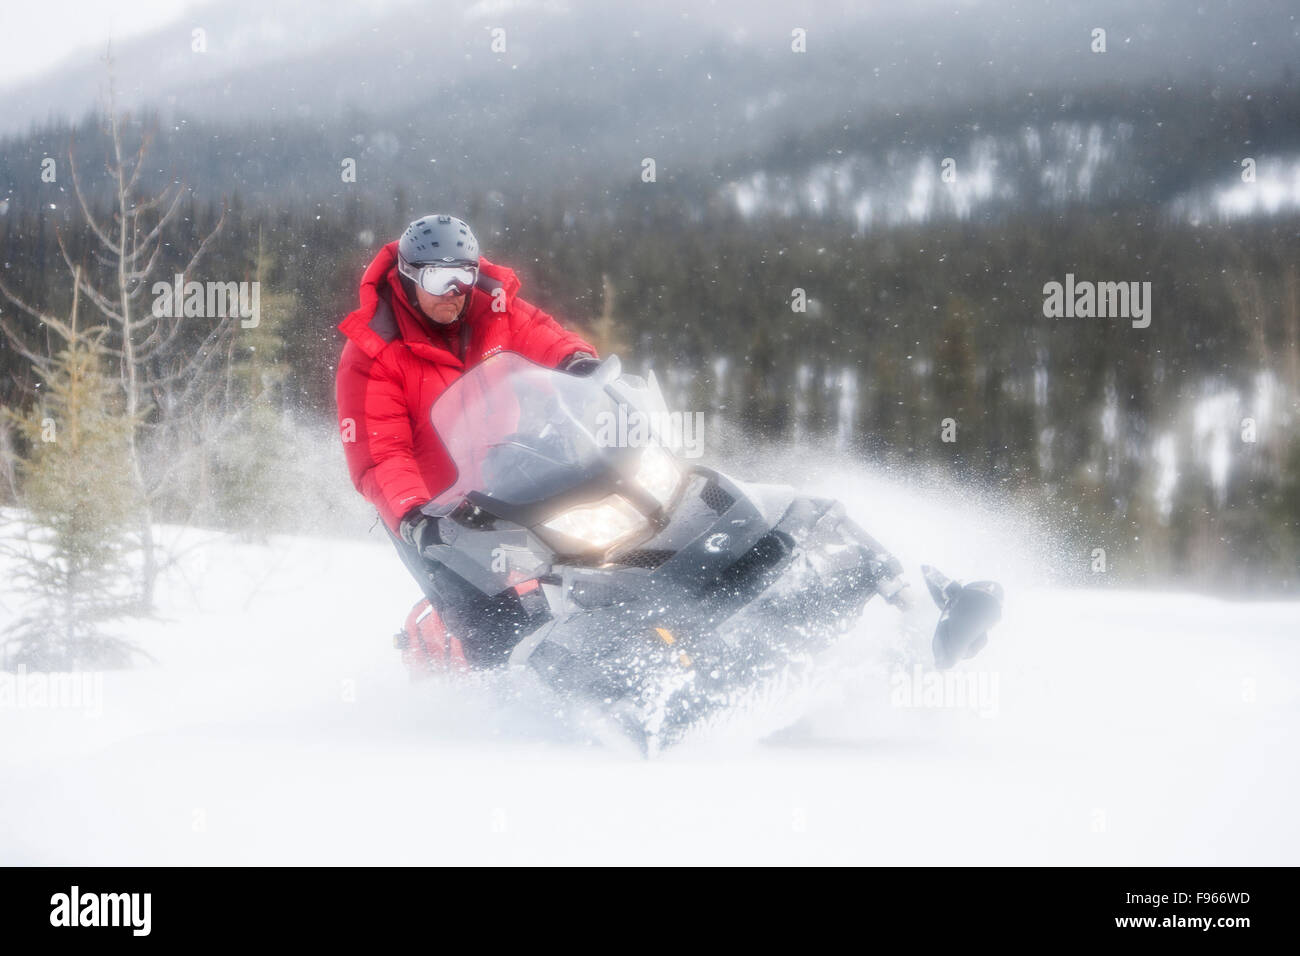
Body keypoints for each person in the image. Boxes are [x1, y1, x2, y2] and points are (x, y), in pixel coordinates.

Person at [335, 214, 598, 671]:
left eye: (465, 275)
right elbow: (380, 455)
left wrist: (575, 361)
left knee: (589, 556)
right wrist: (415, 516)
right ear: (410, 277)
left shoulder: (492, 310)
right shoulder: (374, 352)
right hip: (431, 509)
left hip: (505, 477)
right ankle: (493, 708)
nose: (456, 291)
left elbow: (541, 333)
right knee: (489, 611)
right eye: (440, 278)